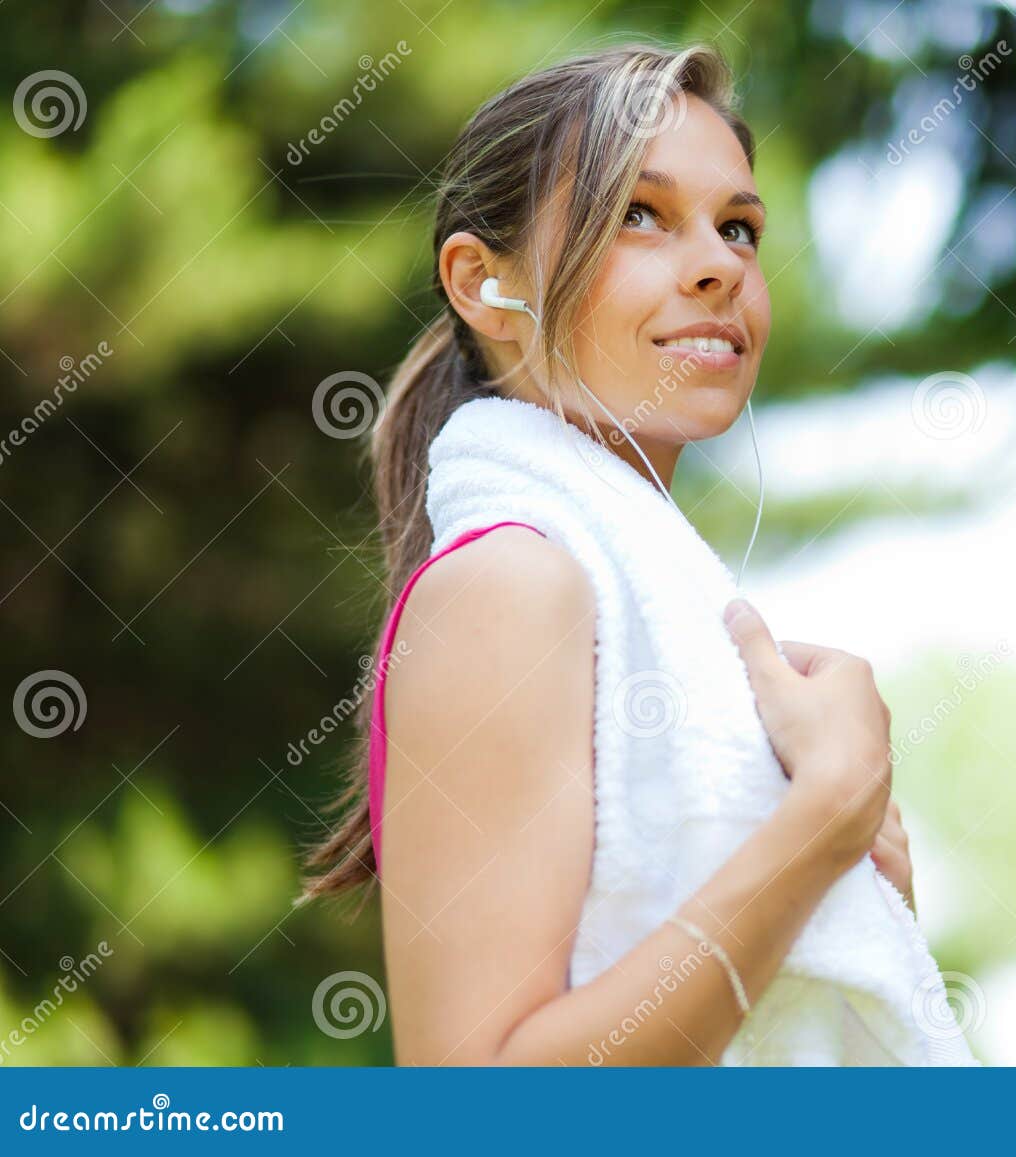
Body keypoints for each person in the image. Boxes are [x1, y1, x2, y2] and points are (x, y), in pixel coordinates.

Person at [298, 42, 976, 1067]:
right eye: (640, 213)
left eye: (738, 227)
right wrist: (825, 817)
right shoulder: (508, 583)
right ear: (483, 284)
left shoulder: (645, 597)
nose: (719, 263)